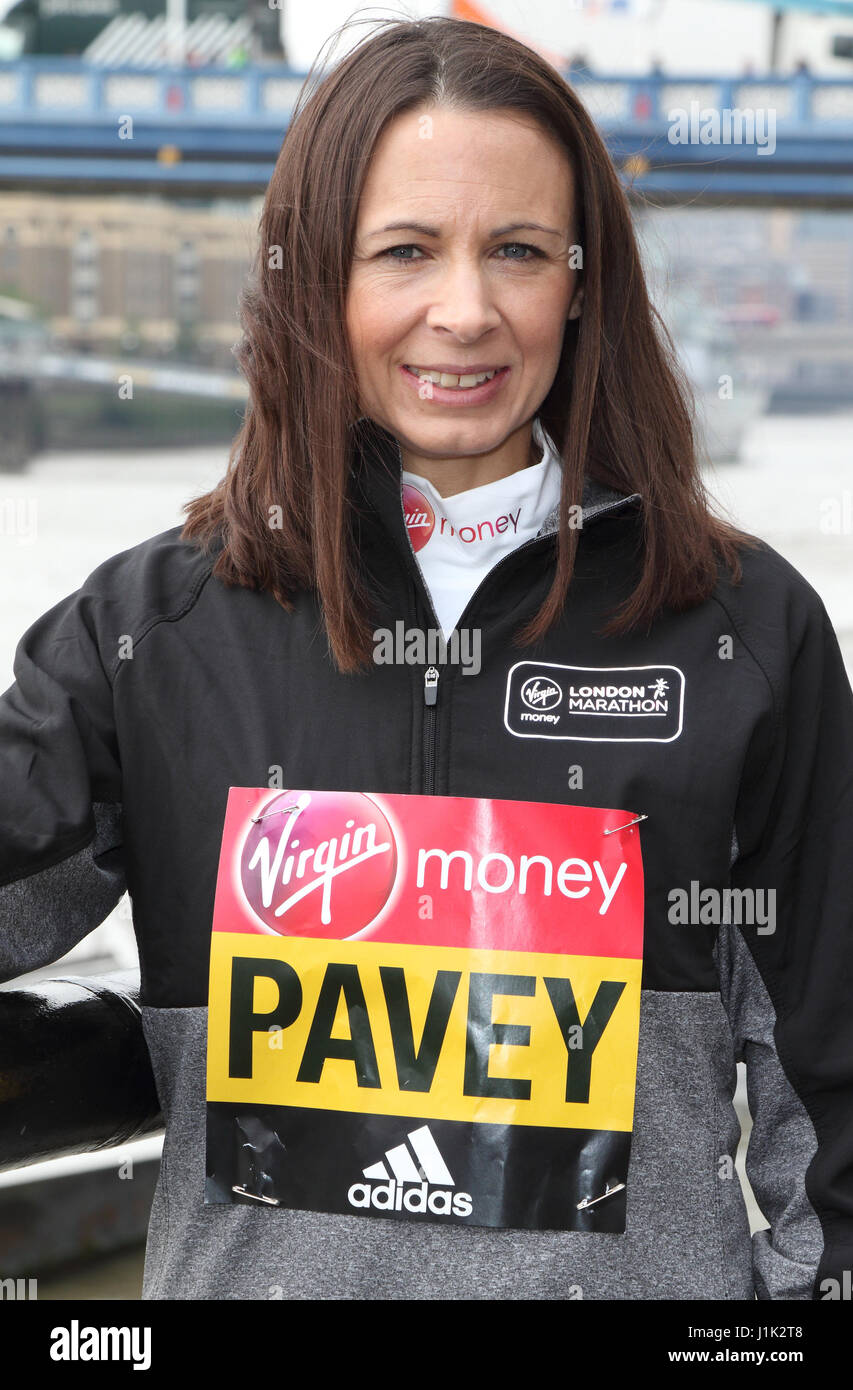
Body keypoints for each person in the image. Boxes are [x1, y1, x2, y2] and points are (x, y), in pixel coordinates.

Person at [2, 15, 852, 1302]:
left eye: (515, 250)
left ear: (580, 280)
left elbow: (830, 1099)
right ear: (313, 281)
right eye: (404, 251)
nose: (465, 310)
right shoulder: (149, 634)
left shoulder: (750, 633)